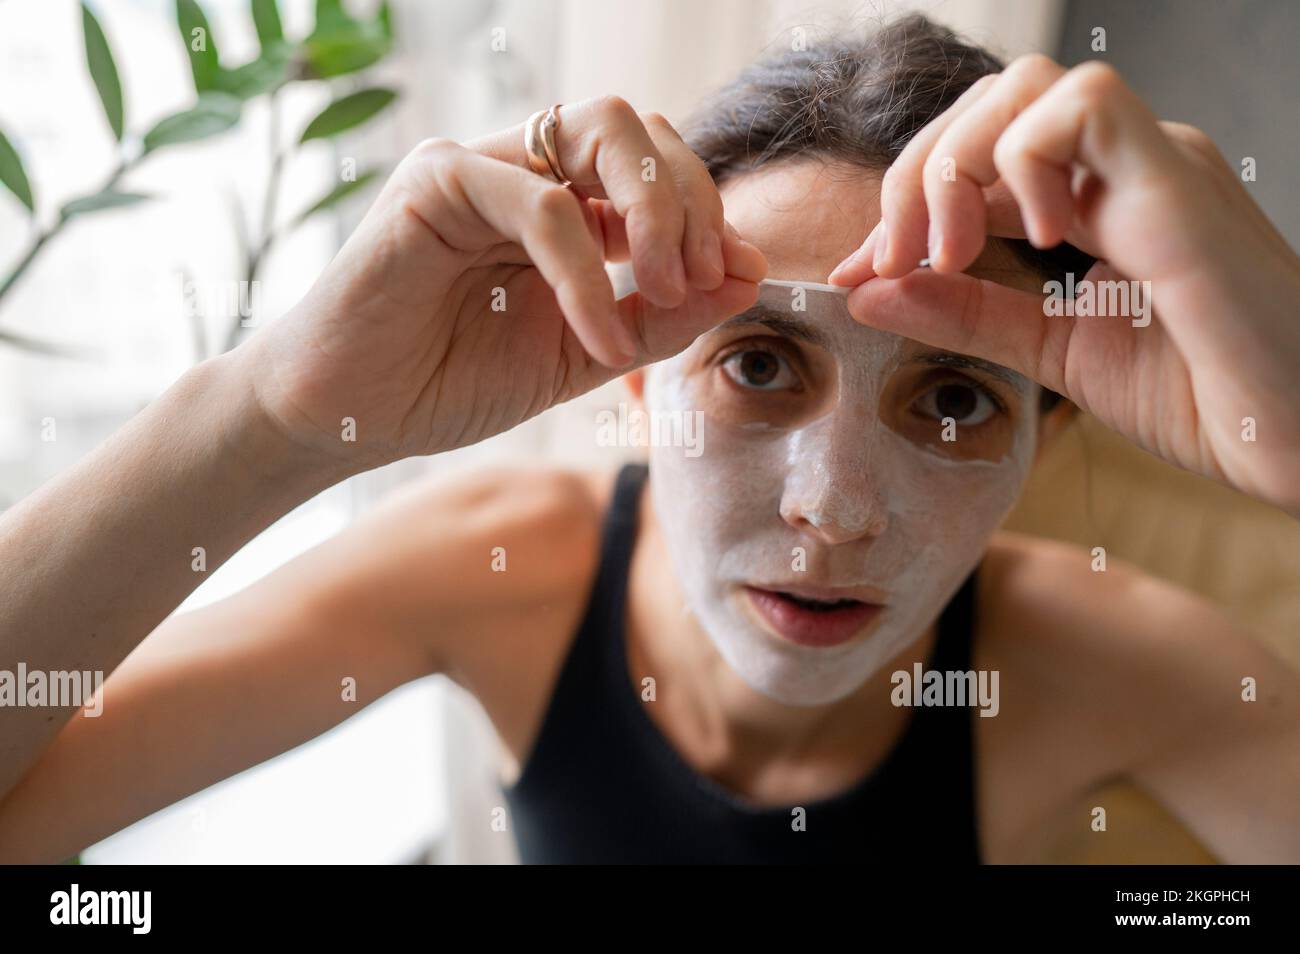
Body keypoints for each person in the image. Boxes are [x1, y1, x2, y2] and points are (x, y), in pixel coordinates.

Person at [0, 15, 1297, 863]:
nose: (835, 512)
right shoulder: (498, 572)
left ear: (1042, 425)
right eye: (756, 362)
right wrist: (272, 413)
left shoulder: (1106, 659)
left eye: (955, 399)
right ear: (631, 384)